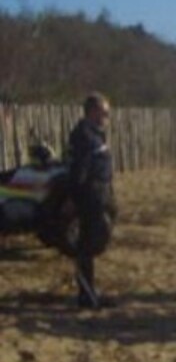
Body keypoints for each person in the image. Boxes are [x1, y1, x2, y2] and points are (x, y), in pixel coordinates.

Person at [68, 92, 118, 309]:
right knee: (88, 245)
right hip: (90, 195)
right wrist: (75, 198)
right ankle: (86, 295)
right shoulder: (83, 135)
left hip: (101, 193)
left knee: (98, 239)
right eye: (104, 112)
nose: (107, 116)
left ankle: (89, 291)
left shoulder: (95, 134)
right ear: (93, 111)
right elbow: (79, 170)